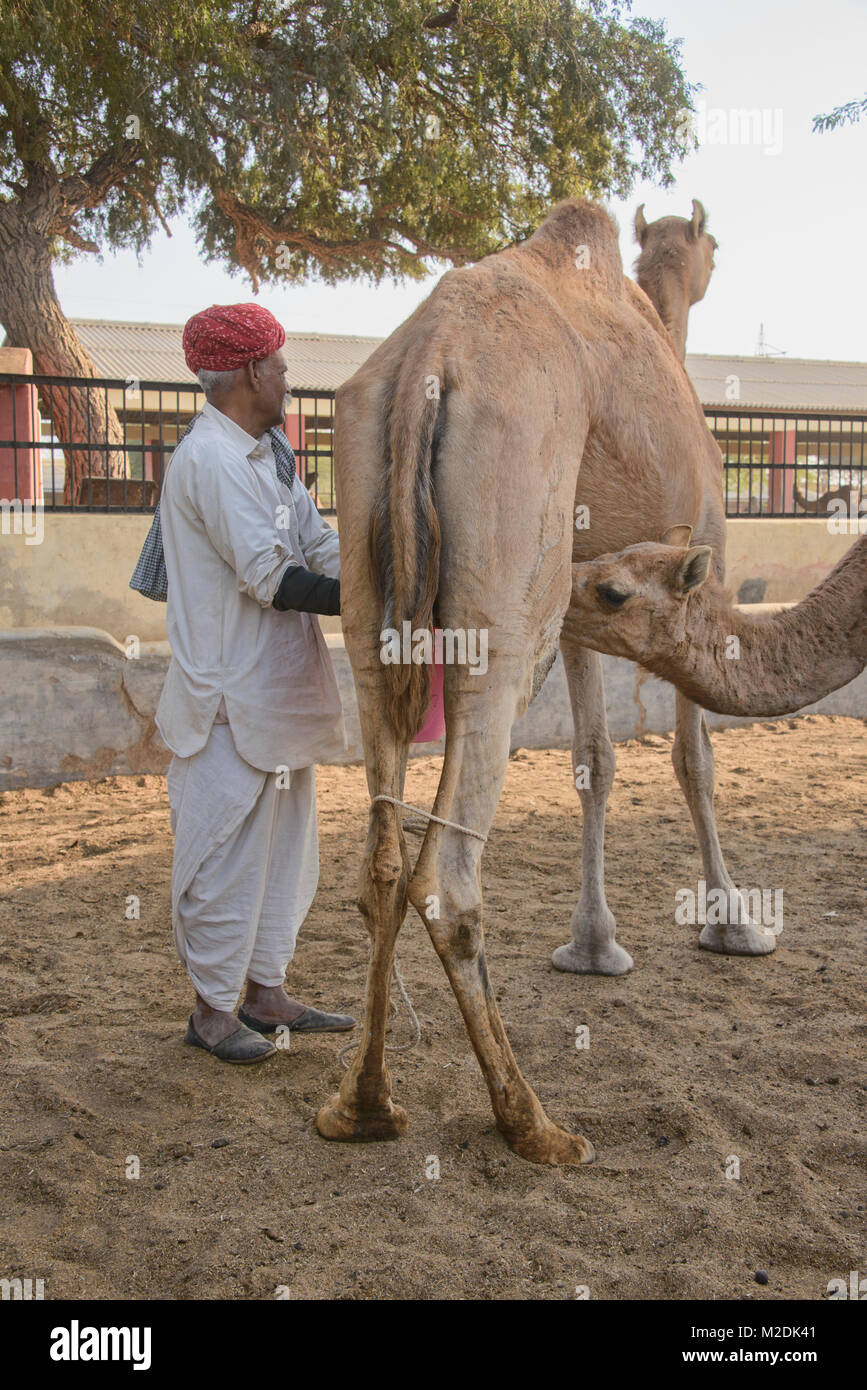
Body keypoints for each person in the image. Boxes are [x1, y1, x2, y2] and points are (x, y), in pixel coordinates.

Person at [152, 302, 354, 1063]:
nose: (287, 381)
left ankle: (266, 993)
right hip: (229, 695)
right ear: (245, 373)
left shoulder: (267, 450)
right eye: (278, 366)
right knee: (224, 856)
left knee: (284, 851)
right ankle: (211, 1013)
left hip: (279, 692)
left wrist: (384, 570)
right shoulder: (209, 459)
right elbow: (272, 578)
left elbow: (313, 544)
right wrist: (373, 603)